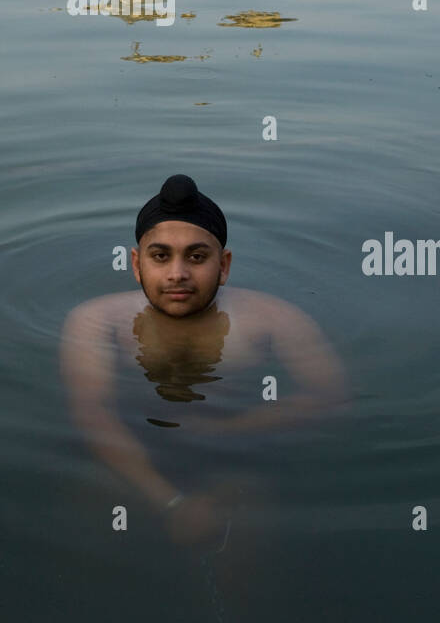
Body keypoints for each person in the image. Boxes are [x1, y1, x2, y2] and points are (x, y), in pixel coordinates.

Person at [60, 174, 349, 552]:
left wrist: (228, 431)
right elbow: (92, 414)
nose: (178, 273)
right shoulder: (97, 320)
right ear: (136, 264)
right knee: (92, 493)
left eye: (197, 257)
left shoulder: (272, 318)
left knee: (247, 514)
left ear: (224, 265)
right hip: (132, 453)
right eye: (160, 256)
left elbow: (331, 397)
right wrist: (171, 502)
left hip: (238, 456)